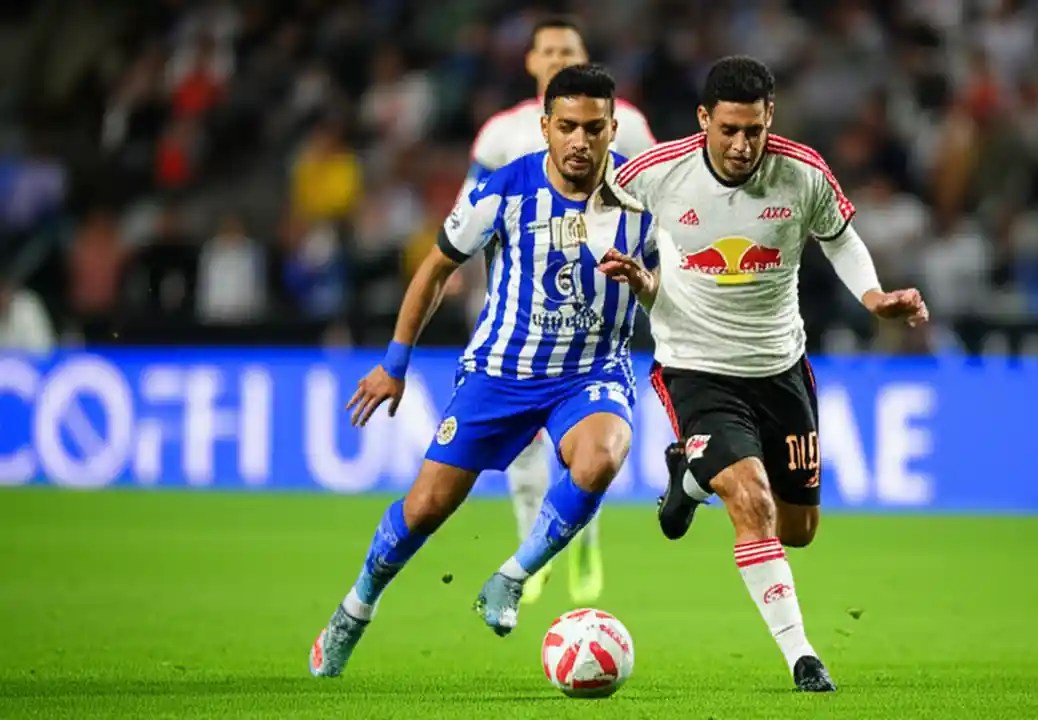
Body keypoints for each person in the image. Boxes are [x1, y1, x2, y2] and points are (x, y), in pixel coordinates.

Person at [310, 64, 659, 678]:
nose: (581, 141)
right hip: (500, 373)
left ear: (613, 131)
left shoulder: (644, 201)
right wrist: (396, 363)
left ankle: (511, 576)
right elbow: (435, 269)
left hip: (589, 373)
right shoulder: (503, 189)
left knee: (603, 455)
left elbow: (680, 288)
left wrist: (652, 289)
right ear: (545, 127)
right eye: (569, 127)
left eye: (595, 128)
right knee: (424, 509)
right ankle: (356, 605)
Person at [602, 56, 929, 692]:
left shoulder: (802, 173)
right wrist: (634, 277)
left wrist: (874, 297)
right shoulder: (657, 172)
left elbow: (839, 238)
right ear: (704, 120)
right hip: (696, 367)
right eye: (728, 129)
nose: (741, 144)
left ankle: (690, 478)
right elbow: (589, 201)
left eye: (753, 130)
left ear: (769, 118)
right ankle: (803, 657)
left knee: (797, 528)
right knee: (751, 502)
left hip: (781, 368)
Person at [457, 15, 657, 605]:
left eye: (566, 49)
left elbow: (657, 198)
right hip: (516, 309)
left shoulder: (632, 128)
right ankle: (531, 546)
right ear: (530, 61)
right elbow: (467, 212)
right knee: (522, 441)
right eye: (546, 50)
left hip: (595, 313)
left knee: (583, 442)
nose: (554, 57)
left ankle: (583, 536)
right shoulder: (501, 134)